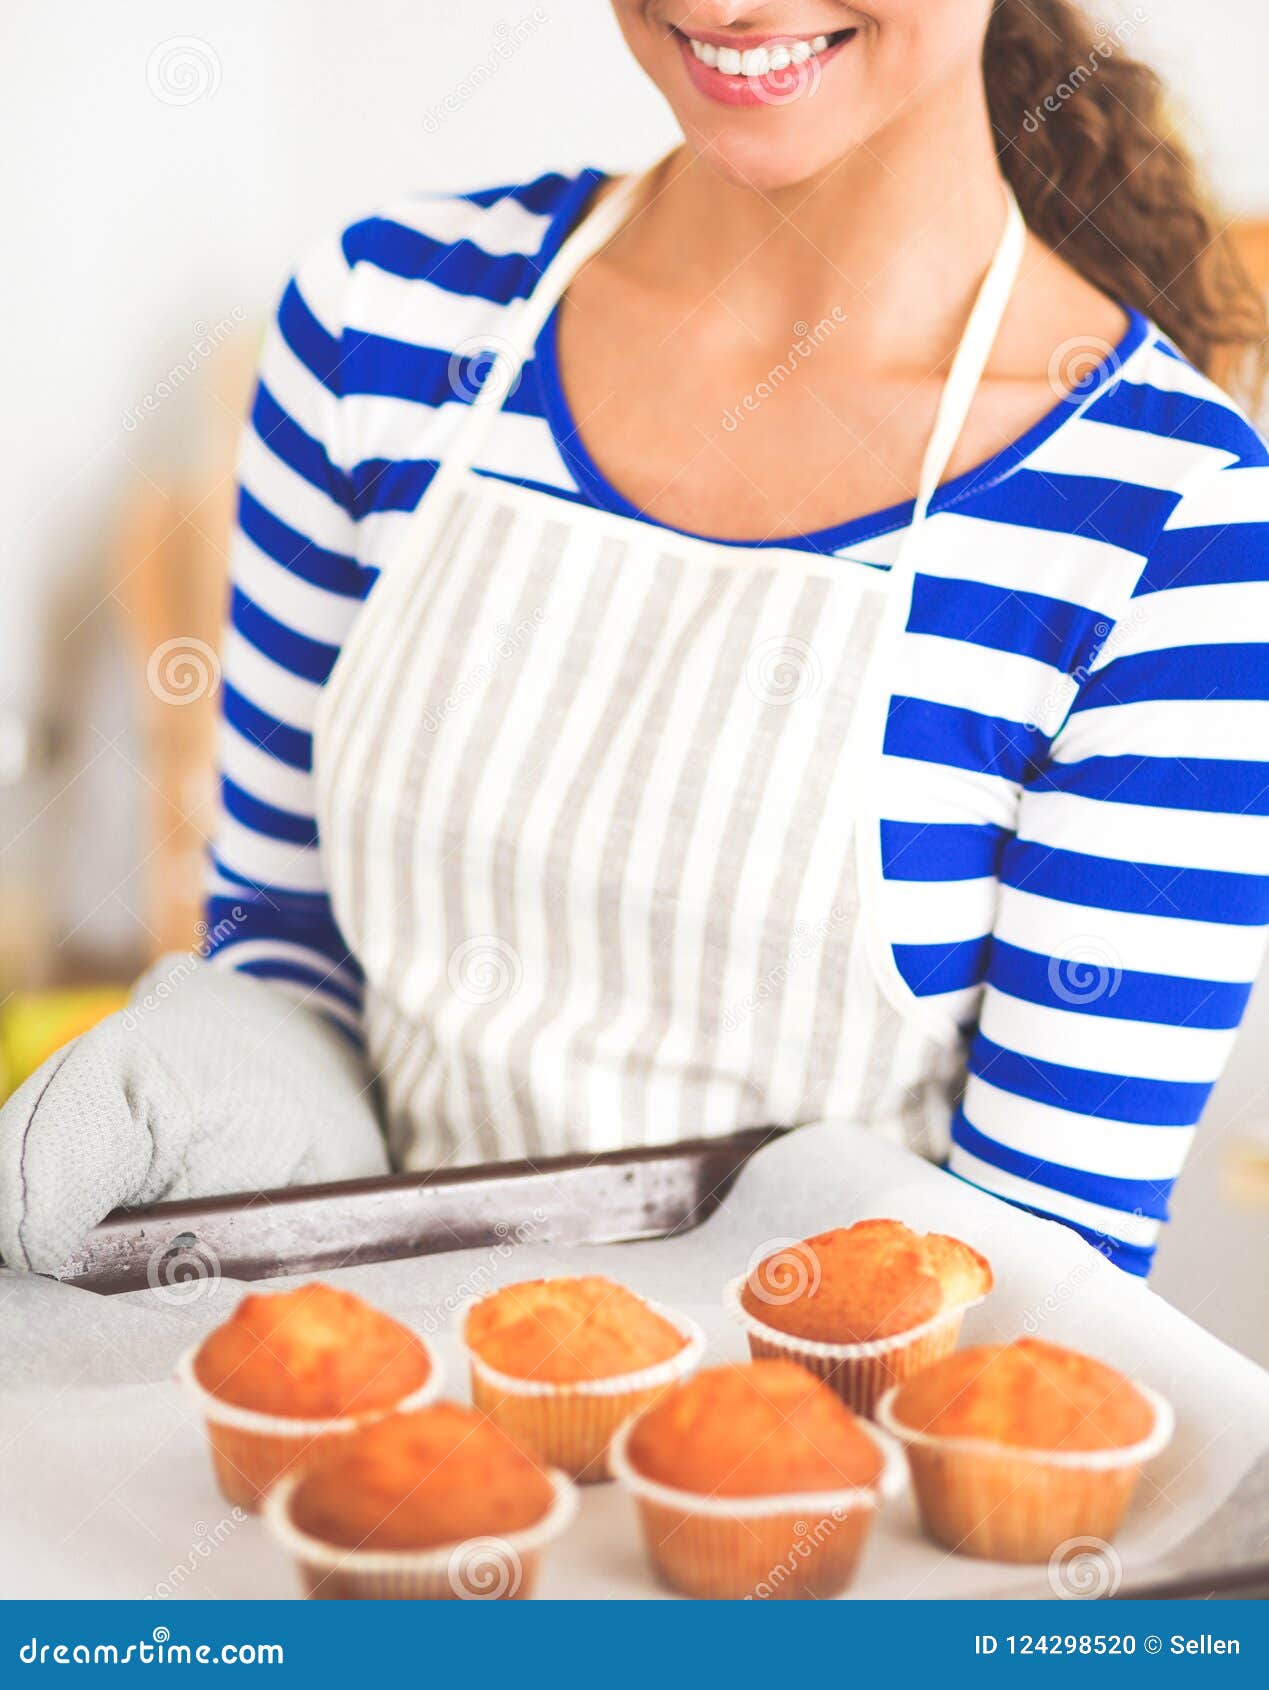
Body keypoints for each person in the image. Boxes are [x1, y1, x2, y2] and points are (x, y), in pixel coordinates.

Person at [4, 0, 1268, 1279]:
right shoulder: (381, 324)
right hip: (369, 1409)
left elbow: (1044, 1292)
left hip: (838, 1454)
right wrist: (188, 1096)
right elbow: (291, 952)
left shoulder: (1176, 525)